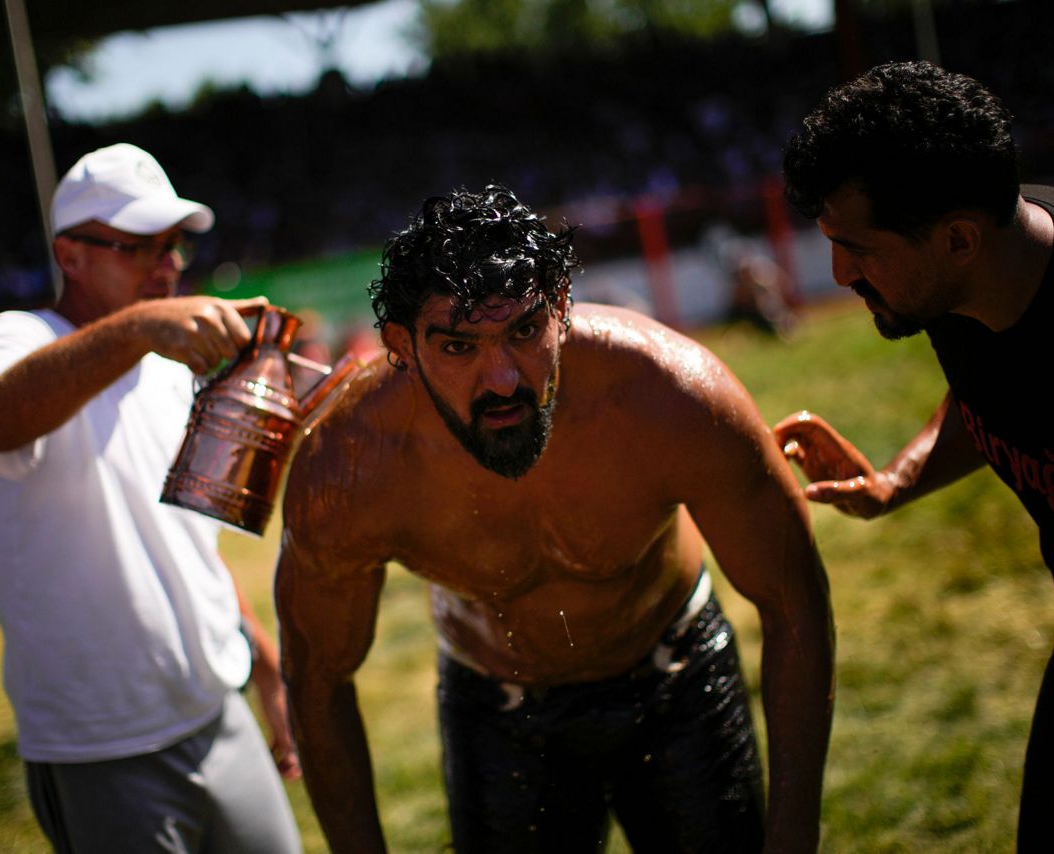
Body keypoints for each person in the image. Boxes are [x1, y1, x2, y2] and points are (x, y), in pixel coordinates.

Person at [276, 184, 835, 853]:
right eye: (458, 347)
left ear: (561, 310)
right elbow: (317, 677)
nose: (503, 379)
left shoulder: (668, 395)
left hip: (676, 675)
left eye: (523, 331)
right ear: (401, 344)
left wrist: (795, 832)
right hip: (498, 710)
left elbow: (794, 599)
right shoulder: (349, 466)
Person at [777, 61, 1054, 852]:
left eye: (856, 248)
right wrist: (898, 479)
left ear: (958, 237)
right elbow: (988, 386)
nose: (838, 275)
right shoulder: (967, 283)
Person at [0, 142, 302, 852]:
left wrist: (266, 665)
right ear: (70, 255)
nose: (170, 265)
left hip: (218, 709)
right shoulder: (17, 336)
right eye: (139, 245)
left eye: (175, 244)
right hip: (99, 747)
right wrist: (144, 328)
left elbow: (182, 542)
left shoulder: (168, 370)